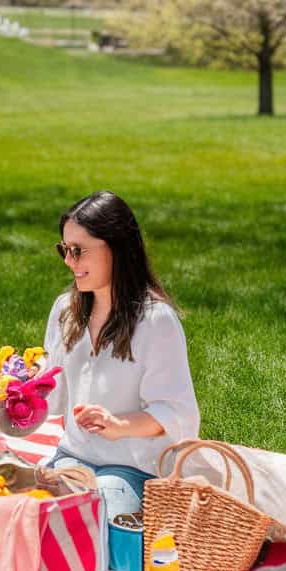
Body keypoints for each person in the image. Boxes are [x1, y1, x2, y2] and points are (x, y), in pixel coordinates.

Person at [42, 191, 199, 522]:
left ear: (117, 248)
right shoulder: (65, 311)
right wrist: (19, 393)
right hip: (73, 457)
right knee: (29, 513)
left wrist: (119, 425)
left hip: (133, 469)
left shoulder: (155, 320)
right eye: (64, 250)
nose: (69, 261)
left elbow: (177, 414)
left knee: (93, 523)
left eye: (78, 251)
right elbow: (54, 399)